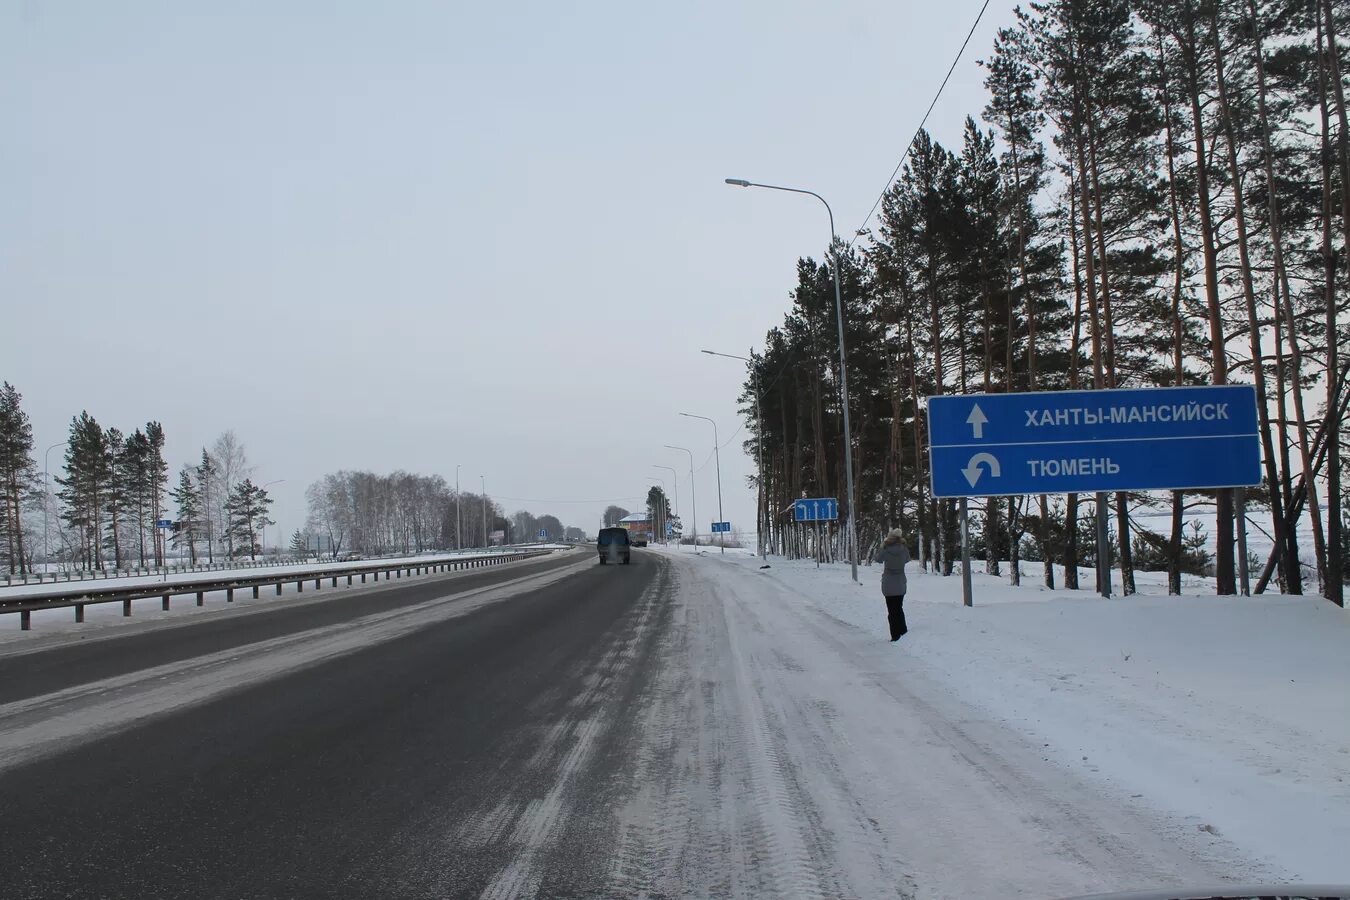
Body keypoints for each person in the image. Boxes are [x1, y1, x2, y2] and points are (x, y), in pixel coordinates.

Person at [872, 528, 910, 642]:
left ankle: (895, 635)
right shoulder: (904, 549)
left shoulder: (885, 549)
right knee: (899, 608)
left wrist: (882, 546)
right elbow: (907, 560)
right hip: (900, 582)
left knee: (892, 610)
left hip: (889, 583)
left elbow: (877, 559)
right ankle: (903, 632)